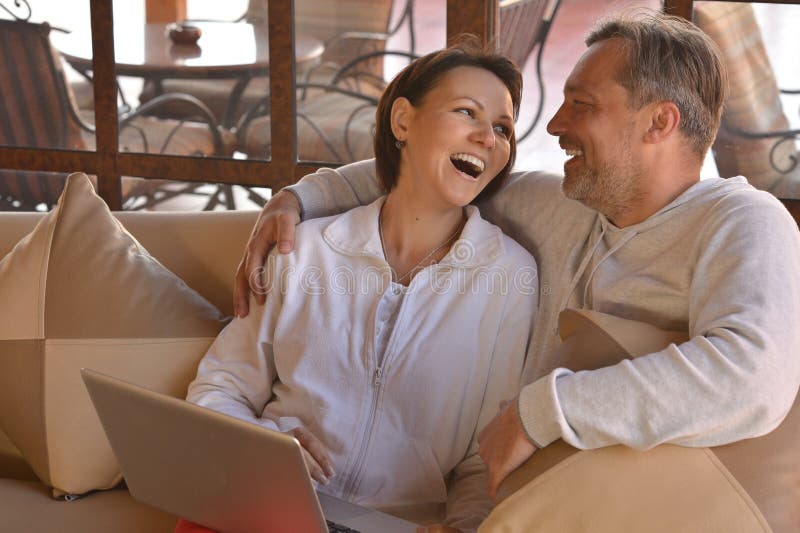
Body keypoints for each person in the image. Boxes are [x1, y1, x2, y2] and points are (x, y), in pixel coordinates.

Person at [232, 10, 800, 527]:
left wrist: (539, 413)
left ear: (659, 122)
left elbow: (754, 376)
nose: (553, 124)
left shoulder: (742, 220)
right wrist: (298, 199)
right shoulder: (563, 204)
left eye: (581, 103)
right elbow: (424, 173)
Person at [186, 41, 538, 532]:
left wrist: (463, 527)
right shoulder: (304, 250)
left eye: (502, 129)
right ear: (402, 122)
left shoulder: (510, 277)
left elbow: (484, 459)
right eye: (467, 112)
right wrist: (267, 442)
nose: (489, 138)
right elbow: (219, 388)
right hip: (269, 507)